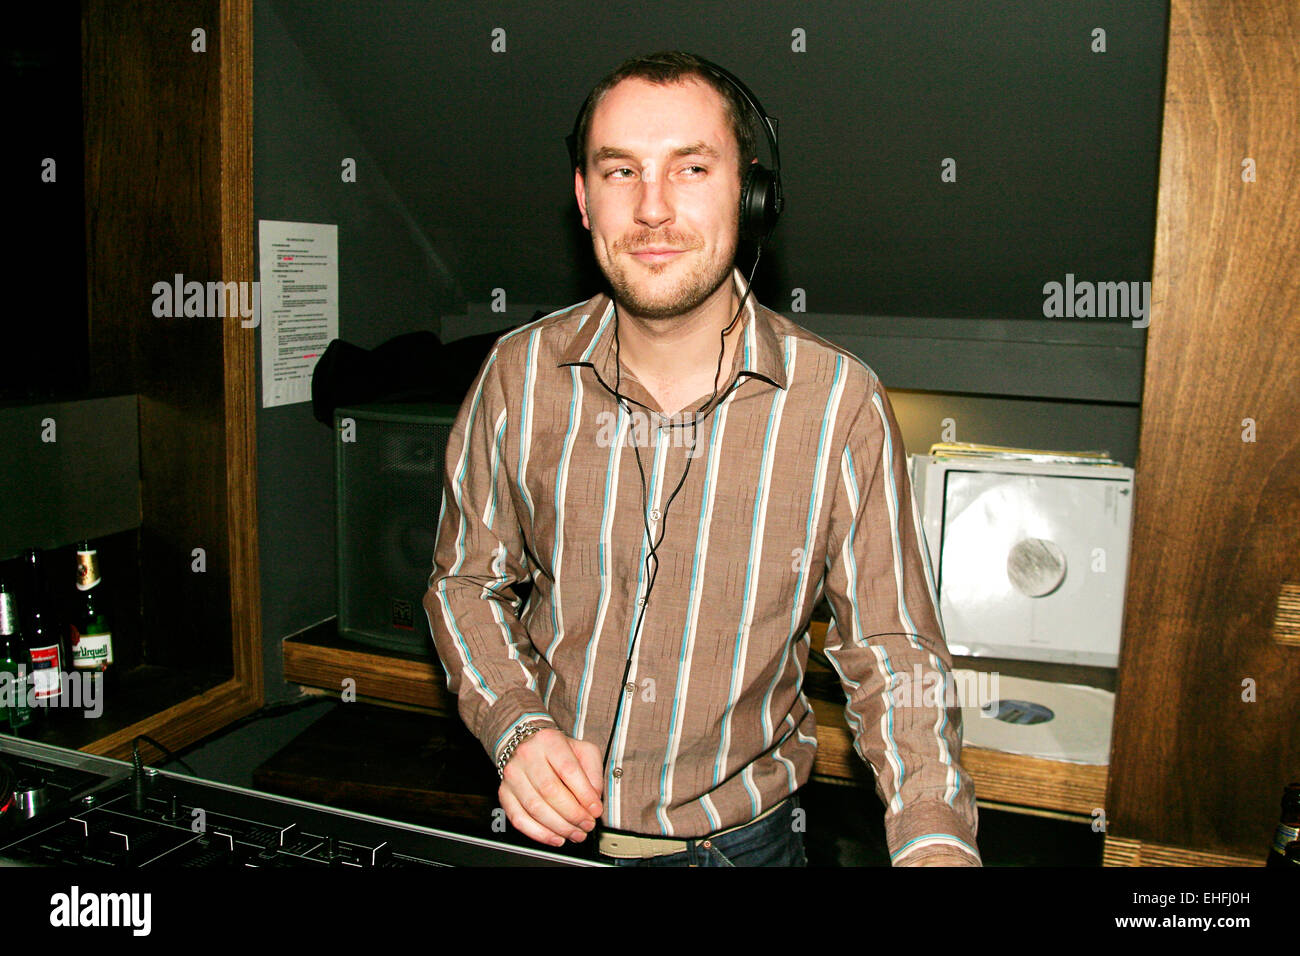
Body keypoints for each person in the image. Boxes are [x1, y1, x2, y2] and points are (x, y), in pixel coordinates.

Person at [425, 51, 980, 867]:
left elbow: (893, 650)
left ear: (750, 194)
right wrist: (517, 724)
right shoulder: (517, 373)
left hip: (746, 850)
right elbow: (464, 581)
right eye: (620, 172)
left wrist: (932, 834)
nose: (652, 208)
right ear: (583, 198)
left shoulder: (839, 402)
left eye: (690, 167)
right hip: (540, 844)